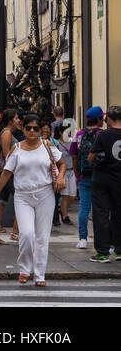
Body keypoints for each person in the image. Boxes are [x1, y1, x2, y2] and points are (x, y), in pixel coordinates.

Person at [0, 114, 65, 285]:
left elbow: (62, 163)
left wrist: (61, 177)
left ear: (40, 130)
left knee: (42, 236)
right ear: (23, 129)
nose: (32, 131)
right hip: (23, 196)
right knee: (26, 234)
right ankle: (25, 269)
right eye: (28, 128)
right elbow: (6, 173)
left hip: (45, 194)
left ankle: (39, 275)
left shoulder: (48, 146)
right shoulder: (16, 149)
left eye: (36, 128)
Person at [87, 105, 121, 263]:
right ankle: (119, 250)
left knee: (101, 214)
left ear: (109, 119)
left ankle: (103, 252)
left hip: (102, 178)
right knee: (119, 214)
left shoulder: (104, 135)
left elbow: (91, 158)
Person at [71, 106, 105, 249]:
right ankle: (105, 240)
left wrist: (77, 174)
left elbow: (73, 155)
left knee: (84, 207)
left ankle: (83, 239)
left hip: (84, 176)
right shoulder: (103, 134)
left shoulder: (78, 134)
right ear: (99, 119)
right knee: (103, 209)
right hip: (102, 176)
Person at [0, 110, 24, 245]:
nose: (18, 120)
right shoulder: (7, 133)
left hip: (4, 171)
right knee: (21, 200)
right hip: (8, 172)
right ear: (10, 120)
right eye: (16, 118)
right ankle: (15, 232)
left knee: (1, 202)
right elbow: (7, 154)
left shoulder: (6, 132)